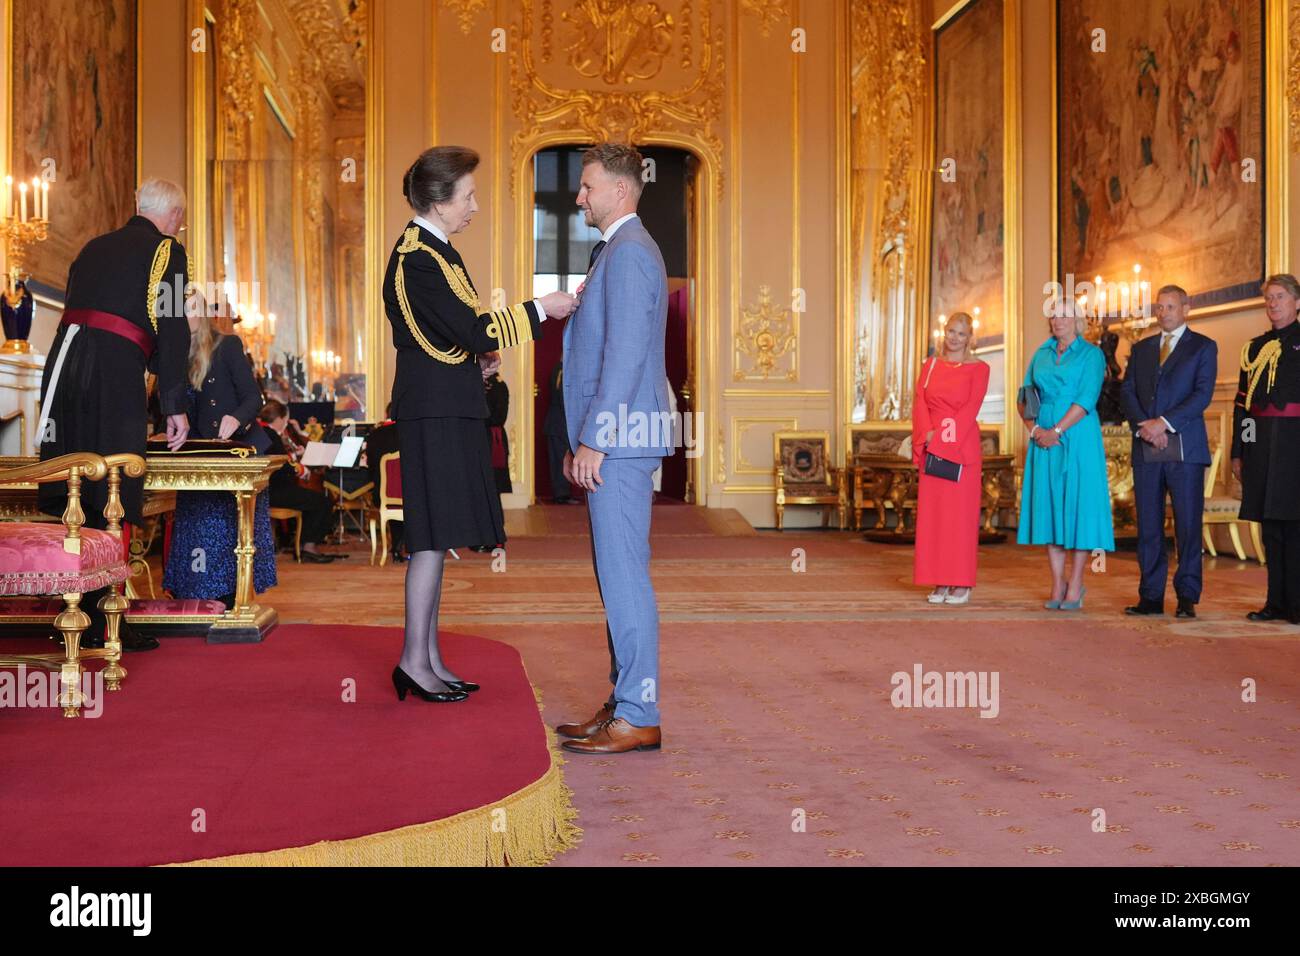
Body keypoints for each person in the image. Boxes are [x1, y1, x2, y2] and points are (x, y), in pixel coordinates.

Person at [384, 145, 575, 703]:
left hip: (448, 402)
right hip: (434, 411)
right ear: (440, 201)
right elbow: (470, 328)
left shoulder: (437, 250)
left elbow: (451, 333)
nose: (475, 206)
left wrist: (477, 357)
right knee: (428, 539)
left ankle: (429, 657)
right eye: (468, 195)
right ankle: (412, 662)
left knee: (438, 537)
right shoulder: (417, 257)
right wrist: (541, 309)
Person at [34, 178, 194, 652]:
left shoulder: (91, 247)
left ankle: (72, 606)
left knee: (73, 484)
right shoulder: (167, 251)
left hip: (64, 370)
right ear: (174, 217)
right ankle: (110, 618)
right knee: (114, 485)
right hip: (113, 374)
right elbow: (173, 326)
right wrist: (174, 405)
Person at [555, 143, 672, 755]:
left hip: (620, 440)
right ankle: (625, 699)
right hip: (620, 438)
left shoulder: (627, 254)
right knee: (616, 571)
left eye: (588, 186)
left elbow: (624, 357)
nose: (580, 196)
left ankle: (638, 711)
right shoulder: (620, 252)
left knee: (624, 573)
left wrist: (595, 440)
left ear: (619, 191)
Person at [163, 299, 277, 604]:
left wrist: (236, 417)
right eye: (179, 309)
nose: (186, 316)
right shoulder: (171, 355)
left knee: (226, 530)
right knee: (195, 525)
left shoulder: (227, 346)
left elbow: (254, 398)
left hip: (235, 454)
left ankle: (229, 600)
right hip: (196, 455)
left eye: (190, 308)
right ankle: (194, 597)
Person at [1120, 285, 1217, 619]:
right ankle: (1150, 596)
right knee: (1148, 525)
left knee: (1188, 525)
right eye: (1159, 307)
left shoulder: (1203, 347)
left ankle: (1187, 596)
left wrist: (1163, 423)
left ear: (1186, 308)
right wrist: (1147, 427)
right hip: (1146, 446)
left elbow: (1202, 395)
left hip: (1184, 448)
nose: (1164, 313)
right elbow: (1128, 391)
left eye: (1171, 307)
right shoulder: (1142, 348)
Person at [1018, 299, 1115, 609]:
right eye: (1054, 315)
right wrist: (1035, 431)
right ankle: (1057, 582)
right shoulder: (1041, 354)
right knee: (1050, 508)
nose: (1058, 321)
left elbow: (1087, 399)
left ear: (1077, 320)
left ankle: (1076, 583)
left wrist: (1056, 431)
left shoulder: (1092, 354)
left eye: (1065, 315)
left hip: (1078, 436)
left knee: (1078, 508)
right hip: (1042, 439)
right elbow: (1024, 398)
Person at [1232, 273, 1300, 624]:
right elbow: (1243, 406)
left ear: (1296, 302)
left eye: (1280, 297)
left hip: (1294, 446)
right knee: (1270, 529)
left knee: (1295, 528)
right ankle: (1274, 603)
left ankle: (1296, 605)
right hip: (1261, 446)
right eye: (1269, 298)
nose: (1273, 304)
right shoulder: (1254, 348)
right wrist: (1240, 450)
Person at [911, 312, 990, 605]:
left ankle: (961, 582)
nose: (954, 338)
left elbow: (970, 409)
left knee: (959, 520)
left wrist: (942, 438)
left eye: (961, 333)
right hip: (932, 447)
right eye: (950, 331)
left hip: (960, 450)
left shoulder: (980, 369)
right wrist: (927, 434)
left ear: (970, 338)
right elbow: (919, 401)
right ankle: (940, 580)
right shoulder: (930, 365)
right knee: (935, 519)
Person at [259, 399, 338, 564]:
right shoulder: (272, 435)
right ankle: (308, 546)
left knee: (311, 500)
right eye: (285, 421)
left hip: (264, 488)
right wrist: (298, 466)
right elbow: (282, 466)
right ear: (280, 419)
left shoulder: (259, 432)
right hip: (275, 489)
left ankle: (301, 542)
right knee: (322, 502)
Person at [543, 359, 579, 503]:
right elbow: (565, 399)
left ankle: (562, 493)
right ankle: (561, 494)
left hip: (554, 423)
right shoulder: (565, 371)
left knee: (558, 458)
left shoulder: (557, 369)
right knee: (561, 458)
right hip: (561, 423)